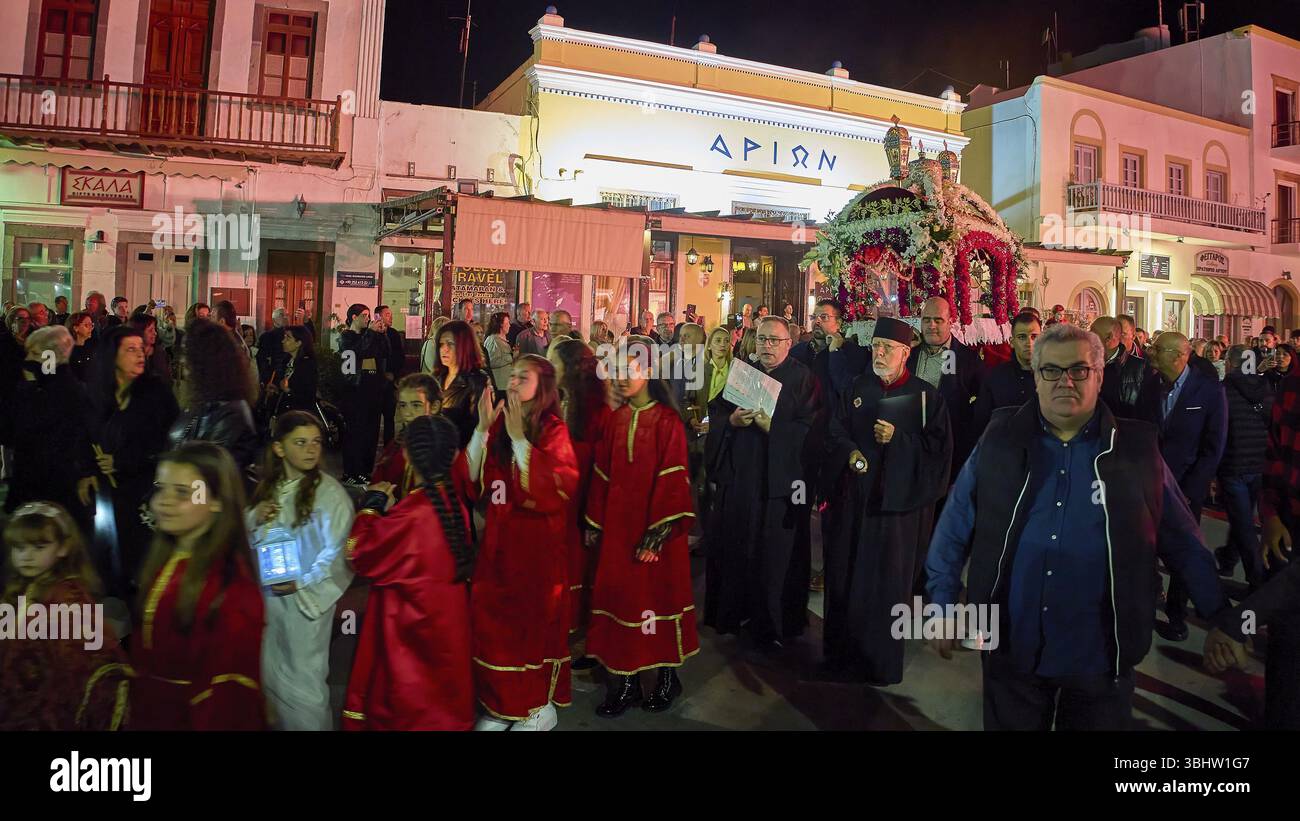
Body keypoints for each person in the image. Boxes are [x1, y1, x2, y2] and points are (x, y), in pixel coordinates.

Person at [926, 323, 1227, 730]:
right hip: (1011, 648)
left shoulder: (1136, 451)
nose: (1065, 381)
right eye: (1051, 370)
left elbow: (1184, 540)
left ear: (1099, 375)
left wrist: (1222, 619)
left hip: (1101, 657)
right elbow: (955, 525)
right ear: (1035, 377)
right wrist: (942, 603)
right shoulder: (999, 440)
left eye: (1079, 370)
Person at [822, 316, 952, 684]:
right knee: (845, 577)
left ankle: (878, 663)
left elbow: (938, 454)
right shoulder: (856, 387)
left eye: (887, 348)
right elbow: (834, 430)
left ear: (905, 354)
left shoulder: (927, 397)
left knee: (885, 586)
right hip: (853, 504)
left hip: (896, 513)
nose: (878, 353)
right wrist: (849, 453)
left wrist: (900, 441)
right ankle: (840, 657)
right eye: (876, 346)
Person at [583, 337, 698, 716]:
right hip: (618, 529)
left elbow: (673, 478)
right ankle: (625, 681)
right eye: (614, 370)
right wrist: (595, 522)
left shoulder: (667, 422)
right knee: (622, 603)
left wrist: (657, 535)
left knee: (656, 602)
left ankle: (667, 678)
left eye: (627, 370)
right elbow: (601, 474)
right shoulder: (615, 419)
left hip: (654, 537)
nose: (619, 377)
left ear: (647, 372)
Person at [344, 414, 476, 730]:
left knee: (407, 702)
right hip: (444, 624)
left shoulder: (412, 515)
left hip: (408, 626)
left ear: (407, 456)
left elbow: (359, 553)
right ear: (453, 456)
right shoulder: (451, 505)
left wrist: (371, 506)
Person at [121, 442, 265, 730]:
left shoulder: (232, 591)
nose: (163, 501)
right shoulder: (166, 561)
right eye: (161, 488)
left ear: (217, 500)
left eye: (183, 492)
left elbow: (227, 700)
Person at [467, 357, 578, 730]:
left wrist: (518, 440)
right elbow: (472, 483)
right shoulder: (500, 421)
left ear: (542, 385)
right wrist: (482, 429)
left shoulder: (553, 428)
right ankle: (503, 703)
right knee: (498, 627)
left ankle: (537, 706)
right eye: (511, 375)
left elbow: (557, 487)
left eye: (522, 377)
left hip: (537, 549)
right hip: (500, 544)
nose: (512, 383)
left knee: (532, 626)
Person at [704, 316, 819, 651]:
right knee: (737, 546)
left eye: (775, 341)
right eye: (762, 340)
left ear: (788, 343)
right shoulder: (744, 373)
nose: (767, 347)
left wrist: (774, 429)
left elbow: (812, 430)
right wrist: (732, 421)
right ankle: (733, 613)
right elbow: (717, 412)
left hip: (779, 486)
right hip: (742, 479)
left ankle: (773, 622)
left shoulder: (803, 379)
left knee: (774, 557)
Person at [1203, 365, 1300, 728]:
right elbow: (1274, 458)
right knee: (1285, 654)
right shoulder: (1292, 382)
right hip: (1287, 536)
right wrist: (1271, 515)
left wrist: (1239, 622)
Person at [247, 412, 354, 730]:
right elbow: (245, 533)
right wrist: (254, 517)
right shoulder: (271, 488)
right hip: (269, 604)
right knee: (268, 676)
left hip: (304, 608)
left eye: (316, 442)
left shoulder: (331, 495)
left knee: (304, 689)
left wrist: (301, 586)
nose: (311, 450)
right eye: (301, 442)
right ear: (279, 448)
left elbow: (338, 556)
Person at [0, 502, 127, 730]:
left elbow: (85, 658)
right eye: (19, 548)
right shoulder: (19, 590)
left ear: (63, 548)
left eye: (39, 547)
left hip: (53, 708)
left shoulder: (69, 596)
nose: (26, 556)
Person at [1137, 331, 1227, 642]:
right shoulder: (1150, 386)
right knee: (1146, 551)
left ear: (1179, 356)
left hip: (1186, 490)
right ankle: (1145, 609)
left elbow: (1213, 446)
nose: (1150, 352)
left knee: (1185, 553)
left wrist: (1192, 488)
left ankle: (1177, 614)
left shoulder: (1208, 391)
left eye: (1158, 349)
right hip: (1149, 486)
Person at [83, 326, 180, 604]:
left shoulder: (156, 393)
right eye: (131, 349)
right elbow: (85, 434)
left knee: (141, 564)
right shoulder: (98, 394)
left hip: (143, 491)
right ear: (112, 356)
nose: (140, 355)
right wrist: (88, 469)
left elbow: (169, 441)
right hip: (107, 494)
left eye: (142, 349)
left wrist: (124, 460)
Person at [548, 338, 614, 663]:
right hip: (559, 501)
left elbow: (601, 464)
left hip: (583, 502)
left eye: (553, 364)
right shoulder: (556, 401)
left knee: (581, 570)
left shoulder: (597, 410)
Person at [0, 326, 94, 517]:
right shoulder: (65, 388)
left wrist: (26, 388)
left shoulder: (49, 393)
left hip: (46, 488)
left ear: (50, 356)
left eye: (34, 353)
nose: (28, 360)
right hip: (53, 486)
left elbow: (13, 430)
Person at [1213, 344, 1273, 591]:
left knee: (1244, 524)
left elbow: (1218, 430)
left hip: (1233, 463)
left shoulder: (1223, 391)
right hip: (1259, 462)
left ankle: (1256, 578)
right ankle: (1228, 557)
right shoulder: (1265, 388)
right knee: (1243, 518)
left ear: (1231, 363)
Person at [168, 319, 261, 477]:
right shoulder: (199, 402)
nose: (182, 360)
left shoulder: (230, 413)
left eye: (187, 352)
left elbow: (209, 475)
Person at [907, 297, 982, 481]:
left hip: (951, 454)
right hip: (911, 450)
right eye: (926, 319)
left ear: (950, 322)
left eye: (938, 320)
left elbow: (979, 411)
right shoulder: (908, 355)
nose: (931, 325)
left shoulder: (968, 360)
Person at [338, 303, 391, 484]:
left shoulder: (370, 336)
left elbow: (385, 353)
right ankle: (351, 471)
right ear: (354, 317)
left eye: (369, 316)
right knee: (355, 433)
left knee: (371, 433)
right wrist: (371, 333)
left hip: (373, 390)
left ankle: (365, 471)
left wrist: (382, 335)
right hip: (356, 392)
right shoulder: (346, 337)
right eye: (364, 315)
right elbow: (358, 352)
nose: (368, 319)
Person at [973, 311, 1041, 434]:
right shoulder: (995, 378)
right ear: (1012, 341)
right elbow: (981, 424)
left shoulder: (1053, 377)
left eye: (1034, 337)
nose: (1029, 343)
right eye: (1022, 337)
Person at [432, 319, 490, 448]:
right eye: (441, 344)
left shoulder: (477, 381)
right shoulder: (437, 378)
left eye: (450, 344)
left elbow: (477, 425)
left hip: (462, 453)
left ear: (465, 346)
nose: (444, 349)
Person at [1090, 316, 1145, 419]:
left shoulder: (1140, 368)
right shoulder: (1084, 363)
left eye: (1092, 333)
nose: (1087, 337)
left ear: (1109, 337)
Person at [266, 325, 318, 415]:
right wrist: (276, 390)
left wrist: (288, 391)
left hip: (299, 416)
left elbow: (308, 396)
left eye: (288, 338)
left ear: (298, 343)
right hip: (284, 414)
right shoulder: (286, 361)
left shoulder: (307, 365)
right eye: (284, 337)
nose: (283, 341)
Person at [375, 304, 406, 445]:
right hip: (374, 383)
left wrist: (393, 373)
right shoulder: (371, 334)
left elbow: (399, 356)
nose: (391, 316)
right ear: (378, 316)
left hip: (390, 383)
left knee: (389, 417)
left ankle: (388, 446)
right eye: (387, 314)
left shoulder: (394, 334)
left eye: (391, 314)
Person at [129, 311, 173, 384]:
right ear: (139, 332)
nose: (155, 333)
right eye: (150, 330)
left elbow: (167, 379)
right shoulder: (129, 355)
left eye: (154, 329)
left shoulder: (159, 352)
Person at [483, 311, 513, 395]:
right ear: (501, 325)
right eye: (507, 323)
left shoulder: (502, 340)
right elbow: (492, 362)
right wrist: (511, 357)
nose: (509, 326)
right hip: (499, 386)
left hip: (505, 385)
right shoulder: (493, 340)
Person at [256, 307, 288, 385]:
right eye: (282, 315)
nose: (285, 317)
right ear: (274, 320)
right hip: (273, 376)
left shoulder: (292, 335)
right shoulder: (267, 336)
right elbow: (262, 359)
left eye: (287, 315)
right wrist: (266, 379)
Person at [66, 310, 96, 382]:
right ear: (75, 328)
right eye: (86, 325)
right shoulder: (67, 351)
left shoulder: (91, 349)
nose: (90, 328)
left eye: (91, 325)